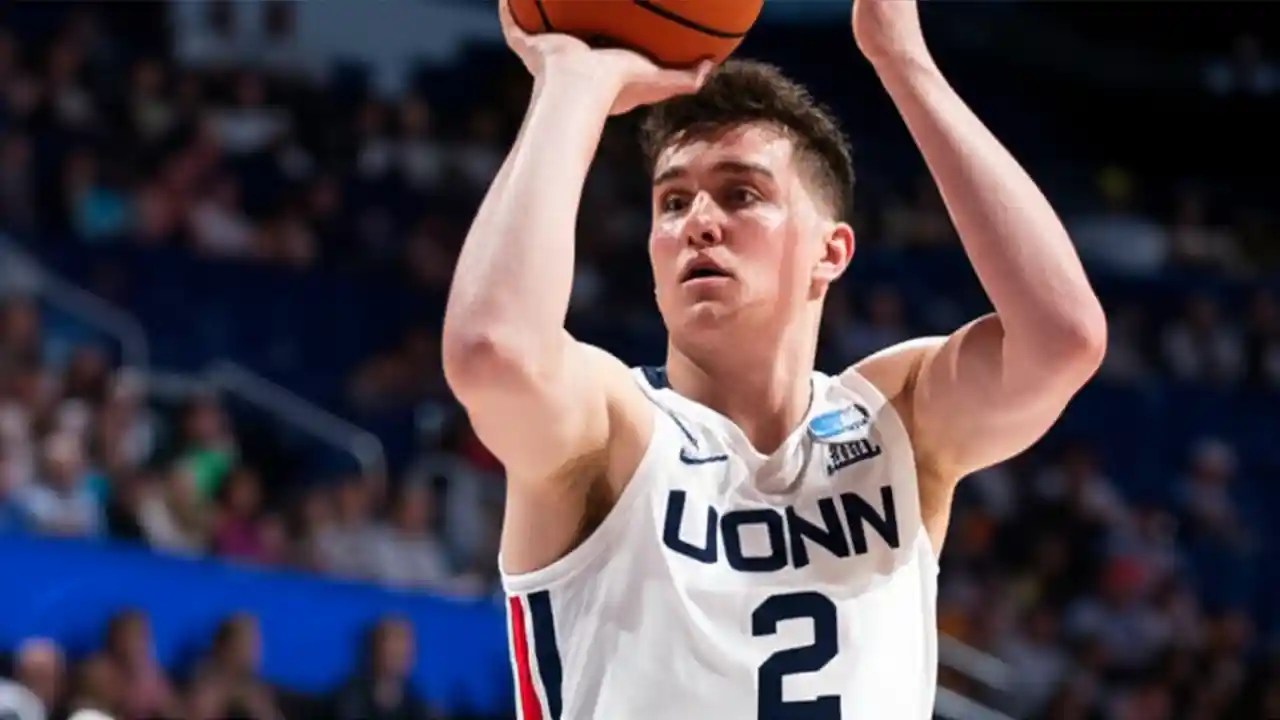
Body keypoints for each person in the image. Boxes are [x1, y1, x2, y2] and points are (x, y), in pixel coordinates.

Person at [441, 0, 1107, 717]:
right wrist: (571, 83)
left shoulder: (893, 423)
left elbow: (1061, 338)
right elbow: (492, 350)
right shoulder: (618, 433)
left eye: (741, 194)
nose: (698, 222)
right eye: (672, 203)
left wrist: (904, 62)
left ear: (832, 252)